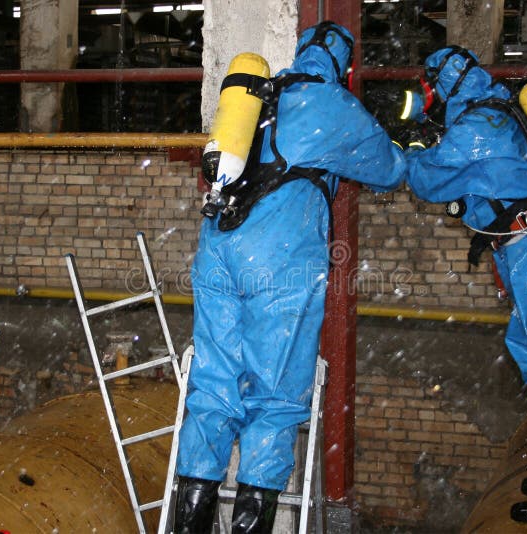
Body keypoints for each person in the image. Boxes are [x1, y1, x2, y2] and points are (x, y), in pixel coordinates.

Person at [173, 21, 408, 534]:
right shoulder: (328, 102)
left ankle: (189, 520)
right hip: (277, 260)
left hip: (216, 250)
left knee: (214, 387)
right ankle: (250, 524)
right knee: (275, 397)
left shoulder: (261, 96)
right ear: (341, 66)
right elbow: (390, 168)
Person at [402, 46, 527, 401]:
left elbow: (426, 180)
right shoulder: (502, 110)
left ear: (440, 85)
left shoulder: (475, 129)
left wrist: (412, 147)